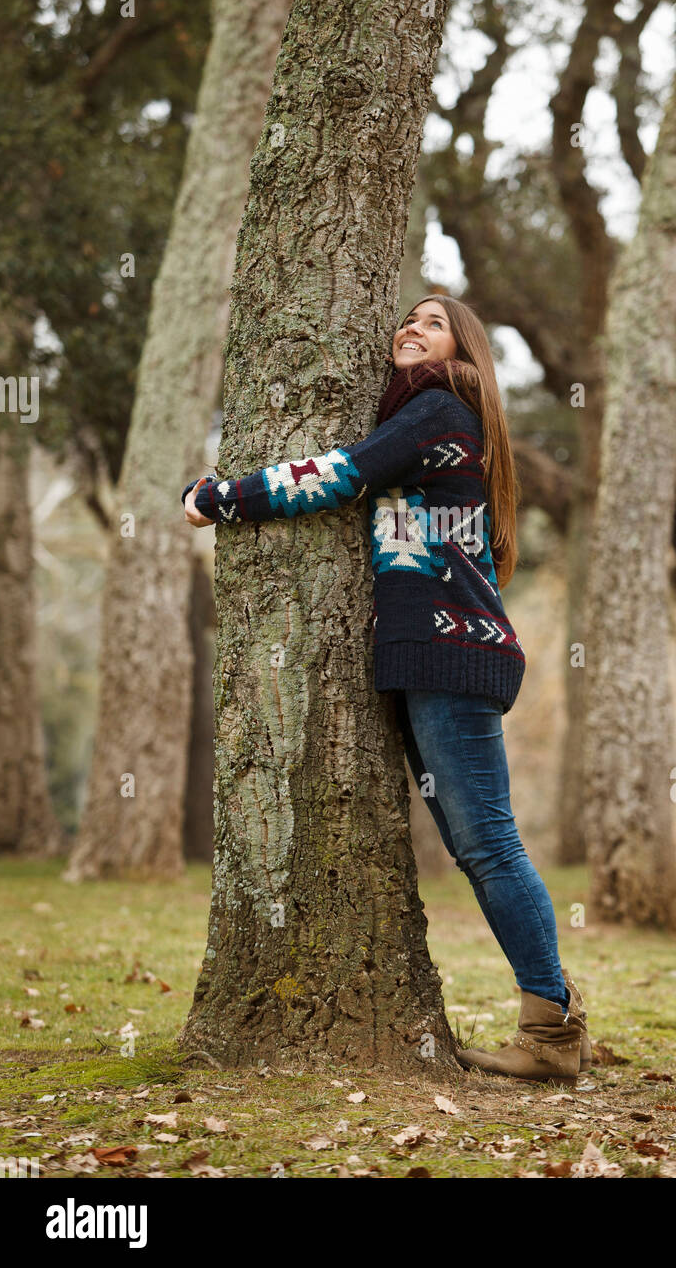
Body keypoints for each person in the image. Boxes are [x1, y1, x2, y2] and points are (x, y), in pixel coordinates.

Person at [182, 294, 592, 1086]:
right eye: (407, 317)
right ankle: (553, 1019)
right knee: (480, 850)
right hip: (435, 658)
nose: (411, 326)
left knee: (489, 845)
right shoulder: (430, 420)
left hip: (452, 658)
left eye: (432, 322)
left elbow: (341, 476)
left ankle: (553, 1031)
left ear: (460, 348)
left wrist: (219, 497)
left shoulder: (437, 410)